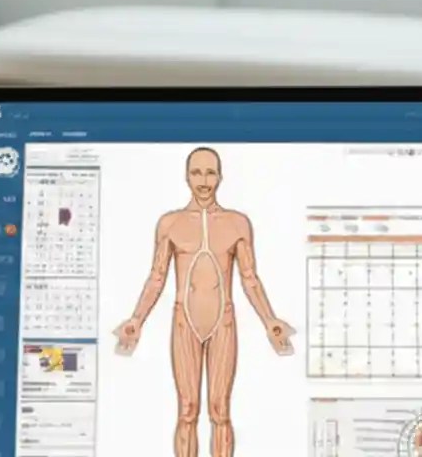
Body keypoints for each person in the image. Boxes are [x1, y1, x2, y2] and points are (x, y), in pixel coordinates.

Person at [113, 147, 296, 457]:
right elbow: (157, 276)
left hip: (222, 324)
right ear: (186, 176)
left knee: (220, 410)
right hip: (185, 323)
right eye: (197, 172)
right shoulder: (170, 223)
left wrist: (270, 321)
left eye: (210, 172)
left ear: (220, 177)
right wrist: (136, 320)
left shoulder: (237, 223)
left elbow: (249, 278)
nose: (203, 180)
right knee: (187, 409)